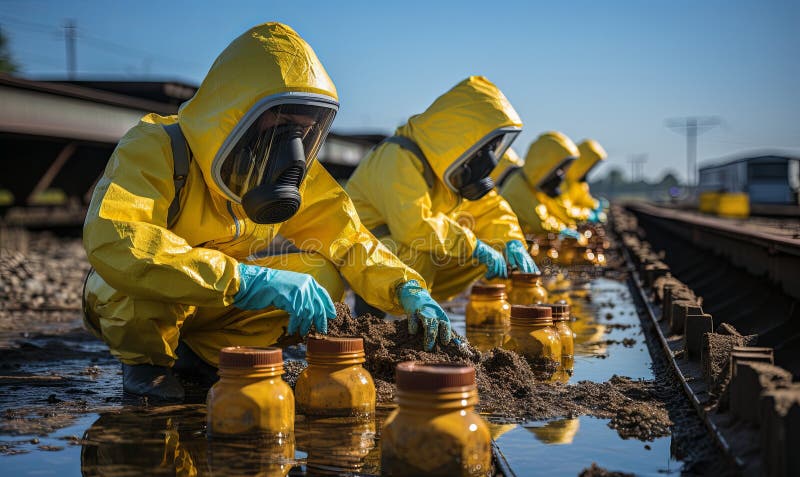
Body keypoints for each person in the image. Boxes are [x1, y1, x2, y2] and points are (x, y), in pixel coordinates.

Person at [82, 23, 451, 401]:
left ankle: (201, 357)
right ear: (237, 112)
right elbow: (120, 243)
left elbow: (349, 238)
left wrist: (405, 287)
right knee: (142, 279)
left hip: (216, 298)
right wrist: (250, 281)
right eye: (283, 126)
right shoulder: (156, 147)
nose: (294, 146)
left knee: (322, 277)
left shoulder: (287, 176)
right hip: (143, 297)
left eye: (304, 131)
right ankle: (147, 367)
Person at [345, 76, 538, 306]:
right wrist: (473, 246)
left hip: (402, 251)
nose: (488, 159)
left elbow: (490, 209)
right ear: (462, 136)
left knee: (487, 245)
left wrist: (510, 240)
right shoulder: (397, 157)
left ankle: (420, 309)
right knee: (418, 253)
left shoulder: (445, 172)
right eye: (486, 149)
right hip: (363, 252)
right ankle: (380, 315)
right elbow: (414, 225)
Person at [499, 131, 583, 238]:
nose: (561, 175)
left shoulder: (533, 186)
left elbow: (557, 212)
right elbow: (539, 222)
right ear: (545, 164)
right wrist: (562, 229)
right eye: (559, 169)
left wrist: (567, 226)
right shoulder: (518, 187)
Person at [562, 139, 608, 223]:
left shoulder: (579, 183)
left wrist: (595, 205)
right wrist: (588, 214)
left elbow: (583, 198)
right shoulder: (563, 182)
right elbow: (564, 209)